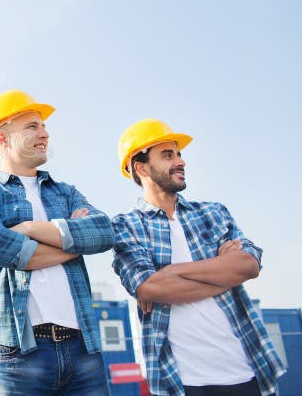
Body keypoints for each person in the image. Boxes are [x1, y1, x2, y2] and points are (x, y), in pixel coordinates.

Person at [112, 118, 286, 396]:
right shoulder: (125, 226)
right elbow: (149, 287)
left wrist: (169, 271)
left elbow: (248, 264)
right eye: (168, 155)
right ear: (141, 167)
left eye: (179, 154)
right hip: (183, 382)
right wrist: (222, 273)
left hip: (248, 368)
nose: (180, 162)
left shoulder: (213, 213)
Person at [0, 90, 114, 396]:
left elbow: (104, 232)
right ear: (2, 138)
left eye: (43, 127)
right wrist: (73, 243)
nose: (44, 133)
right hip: (18, 354)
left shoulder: (65, 191)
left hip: (84, 348)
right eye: (32, 126)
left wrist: (28, 228)